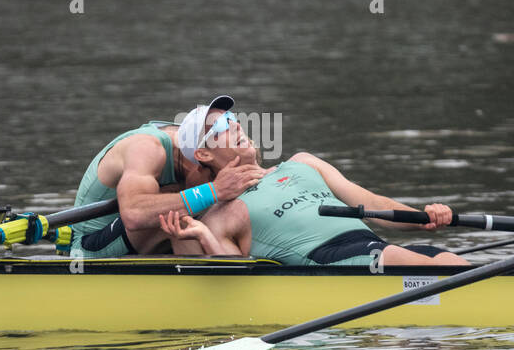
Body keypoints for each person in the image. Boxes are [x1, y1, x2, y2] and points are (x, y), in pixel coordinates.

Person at [157, 106, 468, 267]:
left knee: (453, 261)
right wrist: (196, 236)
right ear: (203, 154)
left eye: (234, 119)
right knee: (408, 260)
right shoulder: (218, 217)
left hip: (373, 245)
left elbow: (374, 205)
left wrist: (424, 217)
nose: (236, 125)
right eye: (222, 127)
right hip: (329, 259)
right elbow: (238, 278)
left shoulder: (304, 162)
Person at [70, 95, 267, 258]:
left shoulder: (196, 140)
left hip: (137, 236)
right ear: (201, 161)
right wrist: (216, 190)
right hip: (88, 245)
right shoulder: (147, 149)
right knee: (178, 219)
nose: (234, 126)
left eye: (230, 118)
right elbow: (134, 213)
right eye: (220, 125)